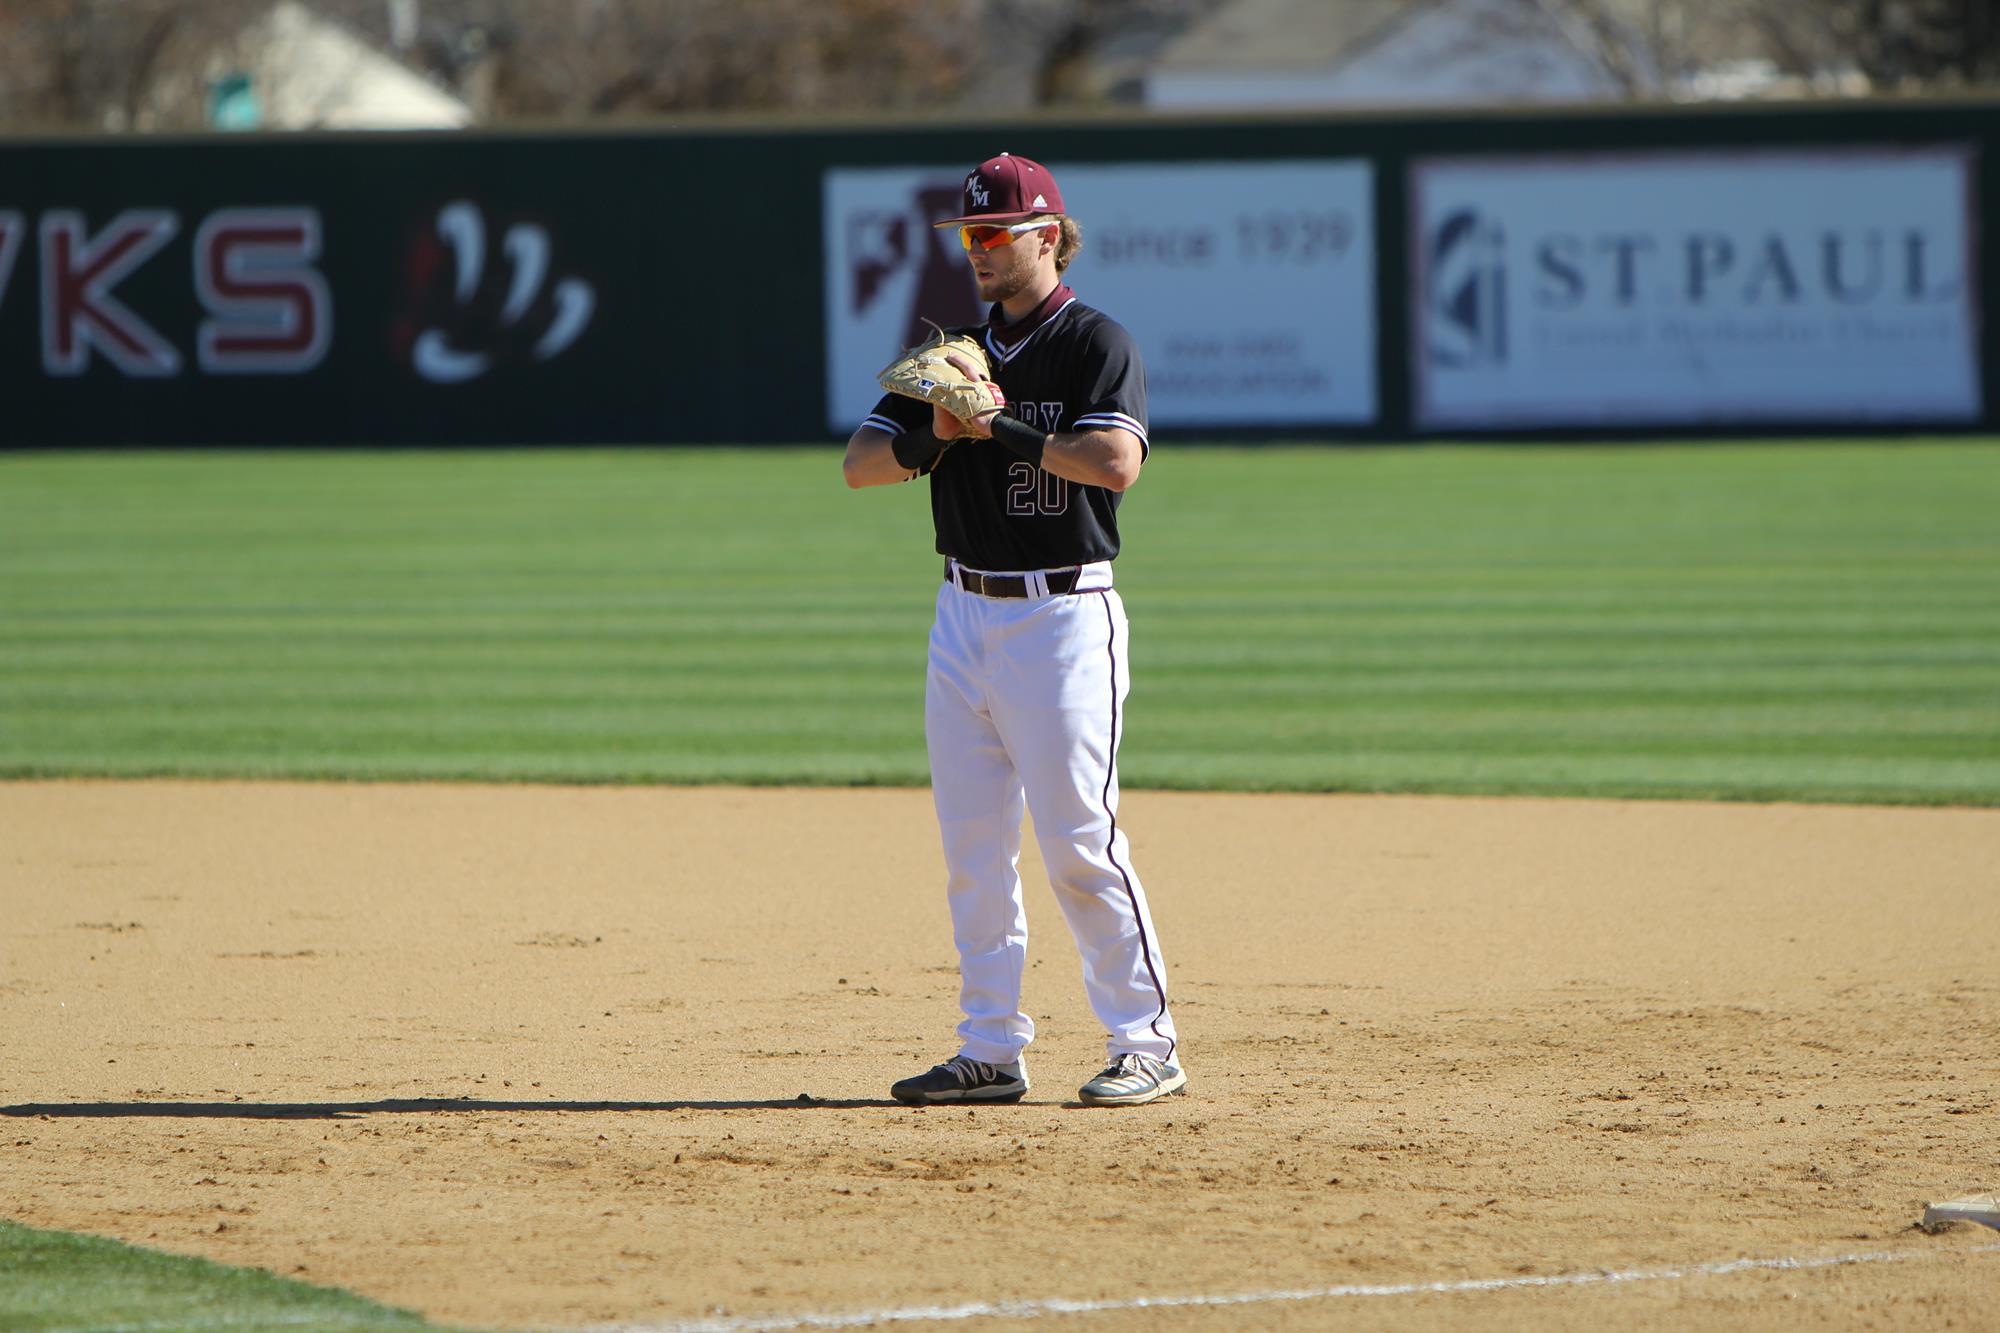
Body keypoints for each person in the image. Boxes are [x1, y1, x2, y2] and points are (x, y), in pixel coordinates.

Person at [842, 153, 1183, 1108]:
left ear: (1048, 236)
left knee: (1079, 841)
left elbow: (1114, 462)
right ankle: (990, 1047)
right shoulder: (954, 354)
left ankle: (1146, 1041)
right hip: (961, 616)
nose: (979, 251)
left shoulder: (1095, 342)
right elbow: (861, 464)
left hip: (1062, 617)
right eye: (969, 236)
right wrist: (937, 434)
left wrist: (996, 428)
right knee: (973, 850)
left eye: (994, 233)